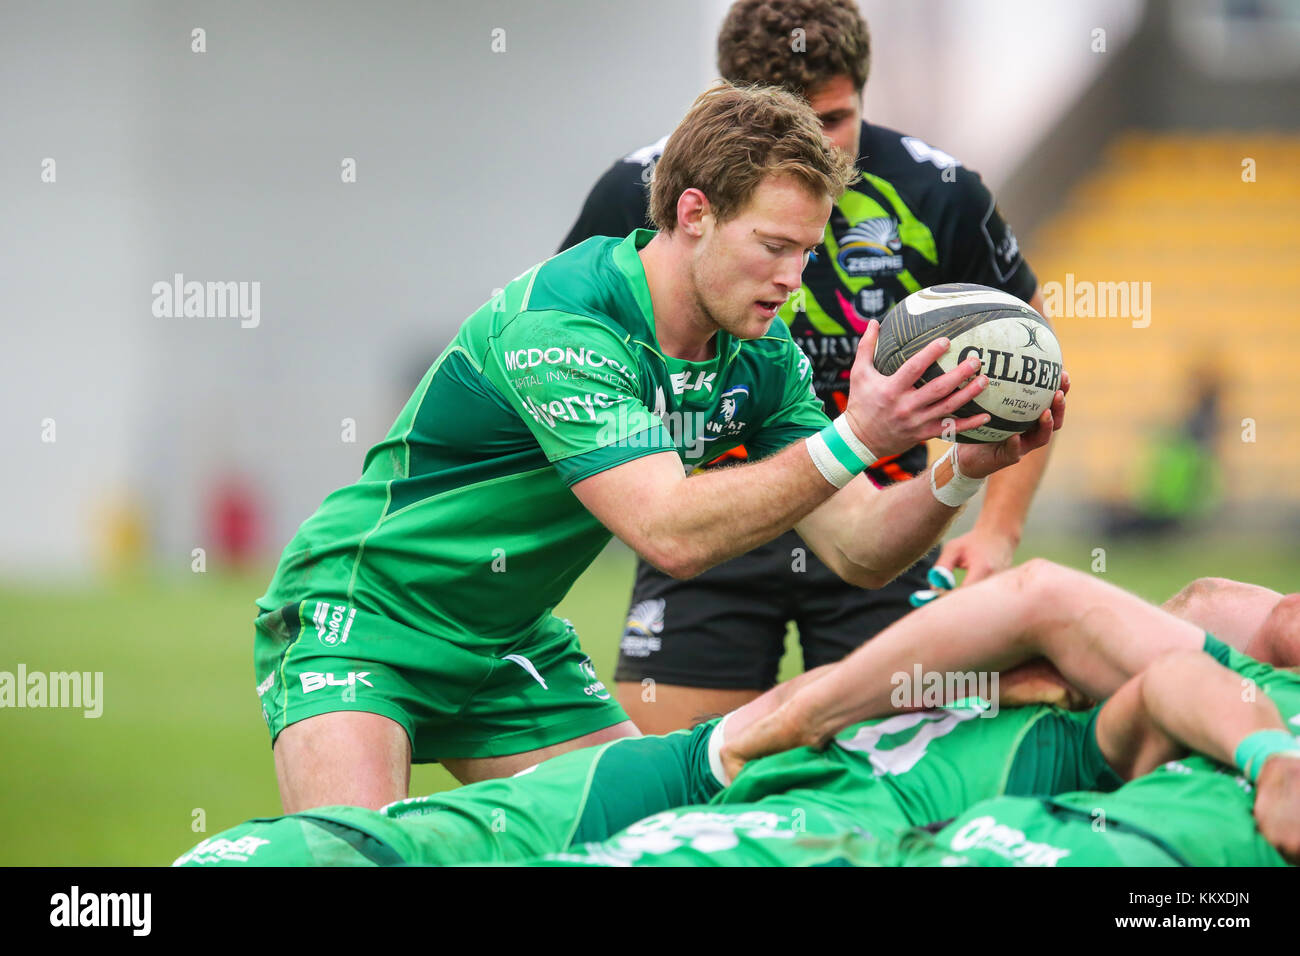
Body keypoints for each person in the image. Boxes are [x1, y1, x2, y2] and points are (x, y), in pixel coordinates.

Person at [254, 81, 1063, 812]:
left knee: (652, 842)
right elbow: (668, 531)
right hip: (361, 613)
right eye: (774, 246)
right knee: (350, 851)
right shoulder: (565, 323)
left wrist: (962, 471)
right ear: (693, 213)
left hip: (507, 639)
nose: (795, 277)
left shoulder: (761, 357)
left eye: (809, 252)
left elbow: (860, 549)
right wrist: (859, 433)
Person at [561, 0, 1055, 734]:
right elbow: (581, 352)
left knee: (899, 776)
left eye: (831, 121)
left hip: (880, 518)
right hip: (713, 521)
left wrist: (996, 531)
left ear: (861, 90)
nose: (812, 148)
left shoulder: (939, 192)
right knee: (666, 788)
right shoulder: (636, 187)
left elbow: (1029, 354)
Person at [182, 561, 1291, 867]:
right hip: (748, 765)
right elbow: (1176, 624)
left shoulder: (1108, 727)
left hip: (786, 798)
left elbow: (1161, 664)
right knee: (354, 845)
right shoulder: (1149, 669)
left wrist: (1264, 747)